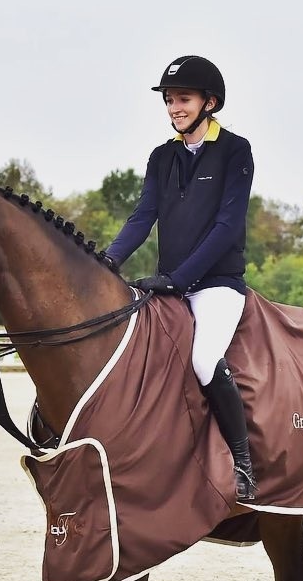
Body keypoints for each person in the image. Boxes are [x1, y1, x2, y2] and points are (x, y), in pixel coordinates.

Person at [102, 55, 258, 501]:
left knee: (204, 361)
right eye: (169, 100)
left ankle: (243, 464)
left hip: (217, 285)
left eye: (183, 99)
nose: (174, 108)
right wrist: (106, 260)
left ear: (210, 102)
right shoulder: (162, 156)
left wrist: (177, 279)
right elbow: (143, 216)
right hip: (169, 283)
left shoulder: (235, 150)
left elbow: (226, 227)